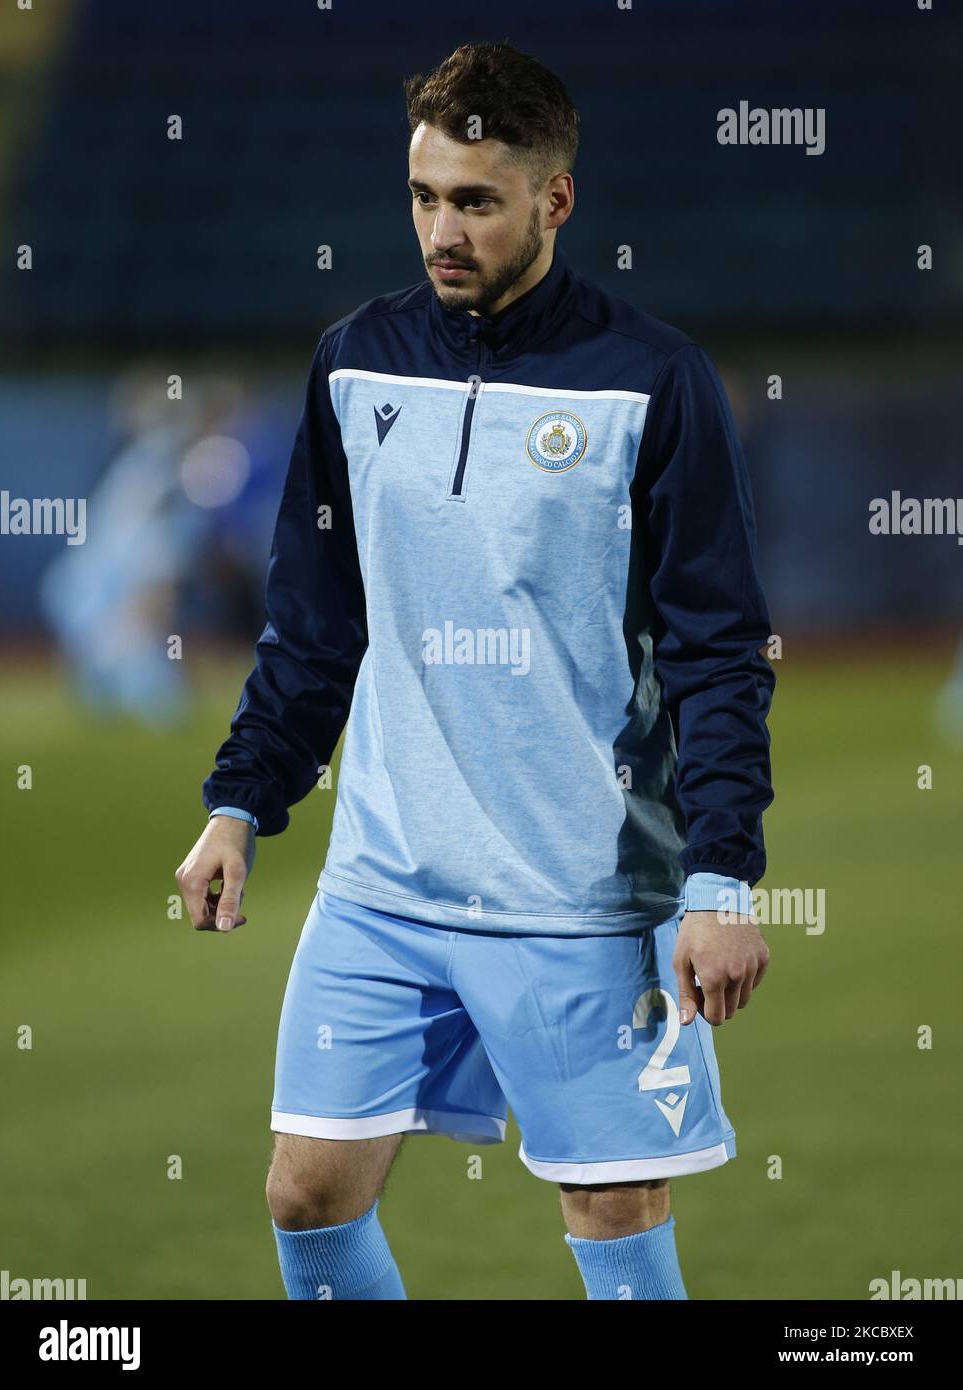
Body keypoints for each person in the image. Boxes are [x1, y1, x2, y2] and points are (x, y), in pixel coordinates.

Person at [175, 40, 775, 1301]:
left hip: (581, 894)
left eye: (475, 201)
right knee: (305, 1189)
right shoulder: (351, 362)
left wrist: (719, 876)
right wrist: (239, 803)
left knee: (611, 1203)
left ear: (553, 201)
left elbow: (719, 651)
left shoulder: (652, 381)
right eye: (423, 197)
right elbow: (313, 621)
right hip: (385, 881)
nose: (441, 230)